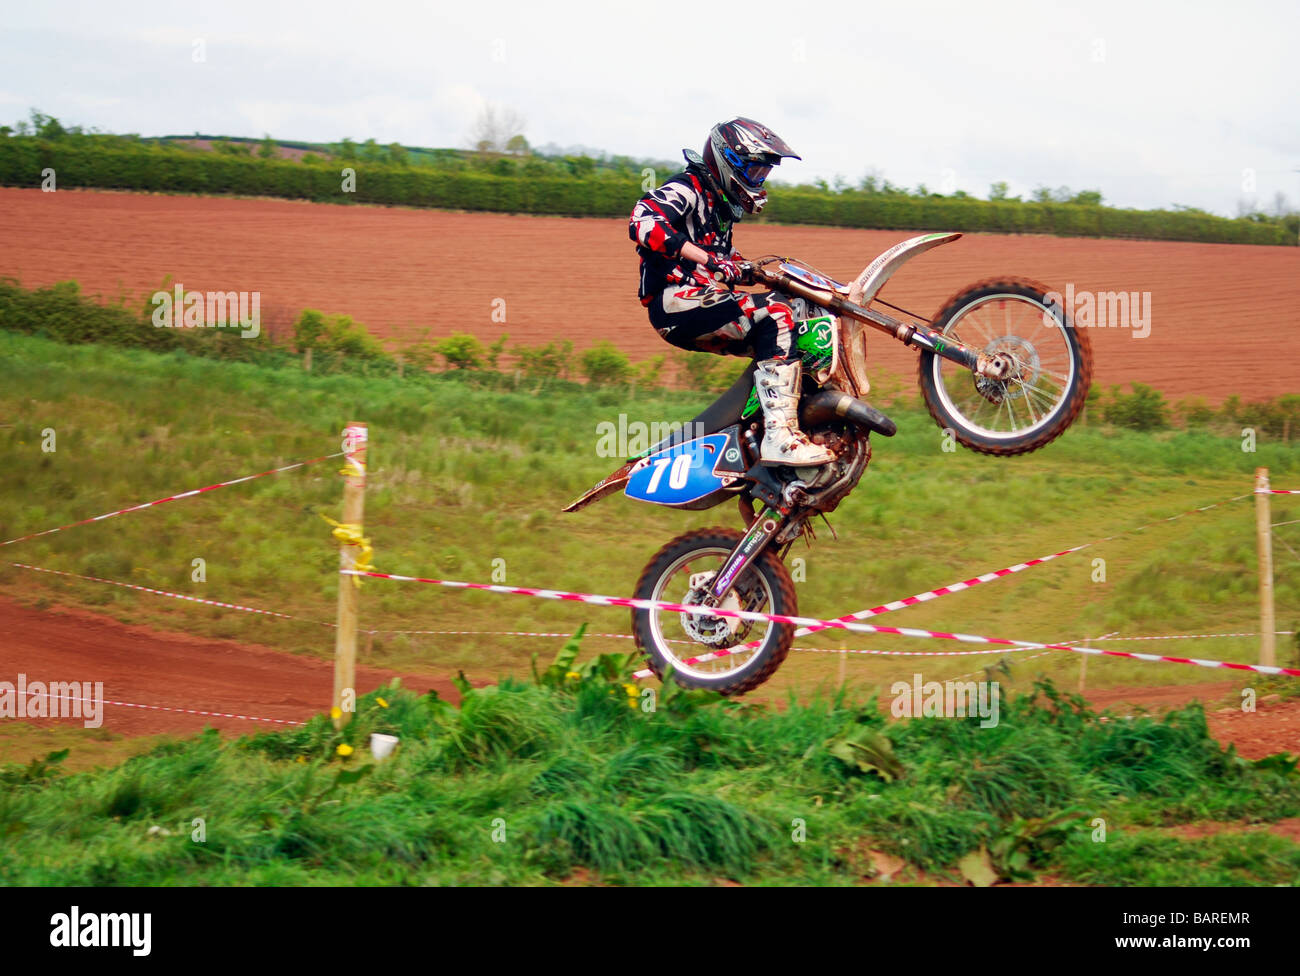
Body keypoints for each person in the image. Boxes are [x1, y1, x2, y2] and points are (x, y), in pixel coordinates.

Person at [629, 117, 833, 466]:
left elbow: (722, 260)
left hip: (702, 302)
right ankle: (779, 437)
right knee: (776, 314)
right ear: (727, 161)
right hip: (676, 302)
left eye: (763, 175)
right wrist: (707, 258)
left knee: (800, 312)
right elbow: (642, 221)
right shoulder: (688, 188)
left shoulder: (721, 207)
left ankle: (777, 424)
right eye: (755, 173)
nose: (759, 181)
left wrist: (747, 267)